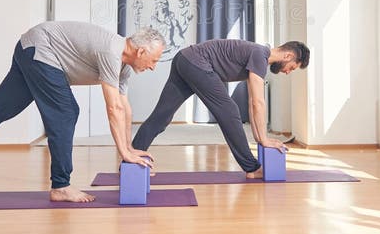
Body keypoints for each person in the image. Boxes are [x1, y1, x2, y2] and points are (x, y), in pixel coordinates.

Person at [0, 23, 165, 203]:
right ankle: (61, 186)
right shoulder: (110, 52)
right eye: (153, 60)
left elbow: (124, 107)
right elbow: (112, 107)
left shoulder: (123, 67)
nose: (153, 66)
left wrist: (130, 147)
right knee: (66, 112)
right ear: (141, 51)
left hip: (31, 48)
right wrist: (123, 152)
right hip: (40, 49)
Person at [132, 38, 310, 178]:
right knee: (230, 111)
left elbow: (252, 101)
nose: (288, 72)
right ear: (288, 56)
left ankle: (132, 160)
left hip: (184, 58)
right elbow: (258, 102)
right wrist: (264, 139)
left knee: (161, 116)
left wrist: (259, 137)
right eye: (292, 67)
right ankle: (251, 167)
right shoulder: (260, 55)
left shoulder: (258, 55)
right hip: (196, 63)